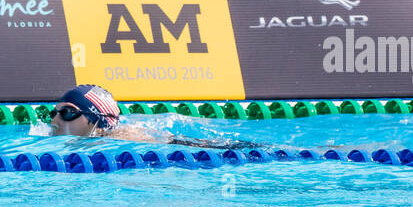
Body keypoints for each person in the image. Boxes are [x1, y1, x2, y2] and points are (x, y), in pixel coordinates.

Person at [49, 84, 257, 149]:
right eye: (54, 113)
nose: (54, 121)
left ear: (97, 121)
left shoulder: (123, 139)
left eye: (67, 113)